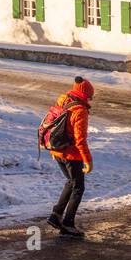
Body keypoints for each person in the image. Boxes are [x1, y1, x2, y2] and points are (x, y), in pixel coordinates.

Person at [47, 76, 94, 237]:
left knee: (70, 182)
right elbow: (80, 140)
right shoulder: (80, 111)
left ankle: (56, 215)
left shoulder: (63, 100)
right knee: (78, 187)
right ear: (86, 95)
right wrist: (87, 161)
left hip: (57, 150)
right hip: (71, 154)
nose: (90, 100)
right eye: (90, 96)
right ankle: (68, 224)